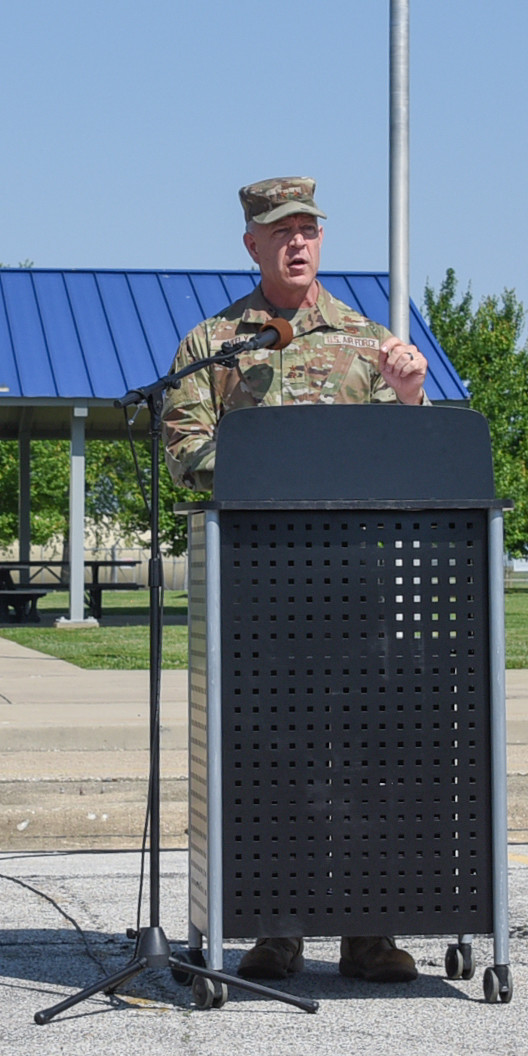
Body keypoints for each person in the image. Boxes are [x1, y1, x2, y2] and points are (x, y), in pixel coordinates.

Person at [159, 176, 431, 986]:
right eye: (280, 232)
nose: (297, 243)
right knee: (274, 760)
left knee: (366, 758)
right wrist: (271, 470)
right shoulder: (214, 343)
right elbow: (184, 452)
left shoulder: (367, 340)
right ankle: (276, 930)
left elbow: (410, 464)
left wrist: (410, 399)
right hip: (259, 587)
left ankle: (367, 933)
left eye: (308, 228)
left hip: (357, 587)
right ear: (251, 243)